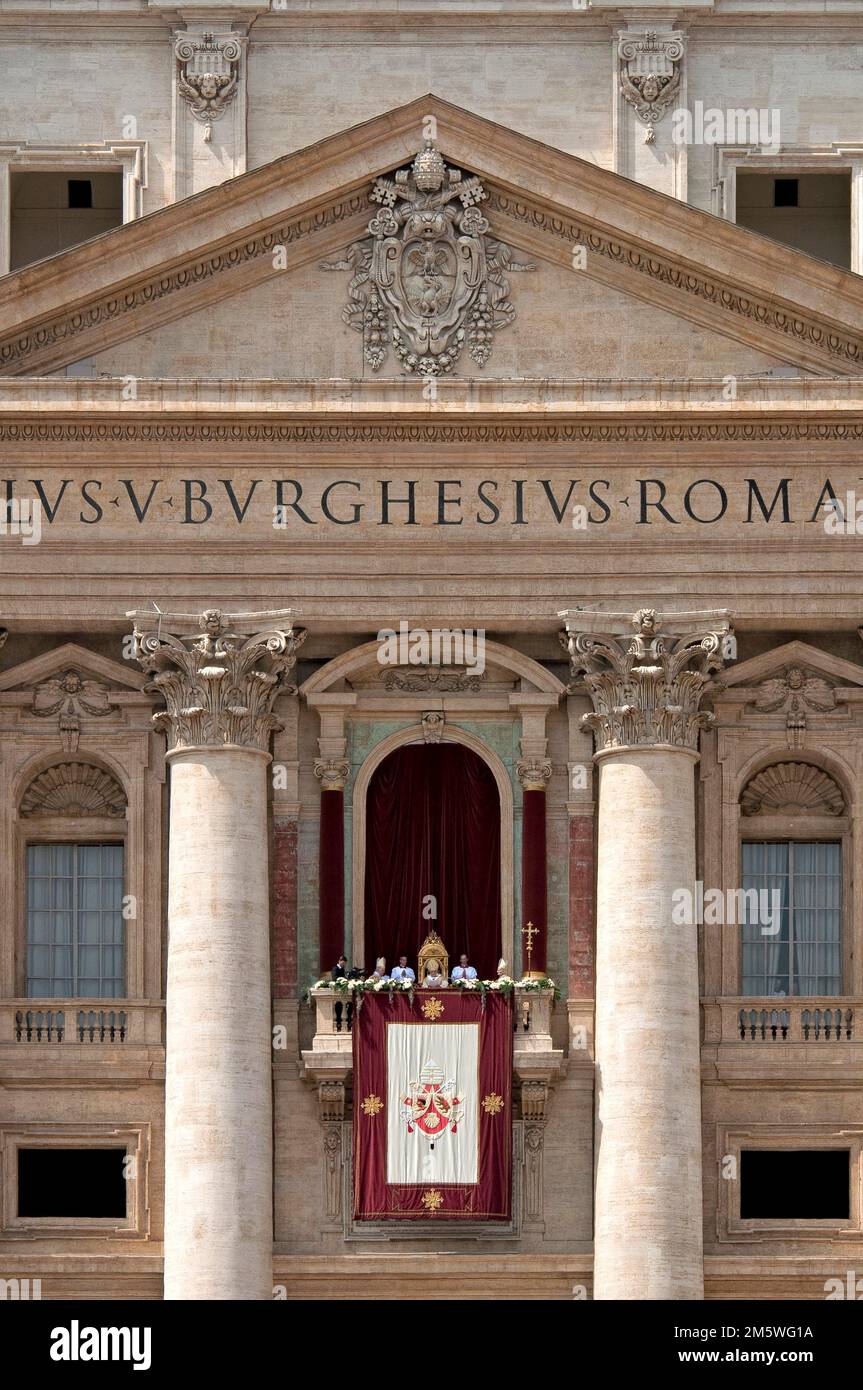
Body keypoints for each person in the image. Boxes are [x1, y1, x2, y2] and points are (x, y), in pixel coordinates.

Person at [331, 955, 353, 1032]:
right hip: (337, 989)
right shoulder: (335, 968)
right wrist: (342, 979)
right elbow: (334, 978)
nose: (344, 965)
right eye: (343, 963)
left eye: (345, 963)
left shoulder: (342, 969)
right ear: (340, 961)